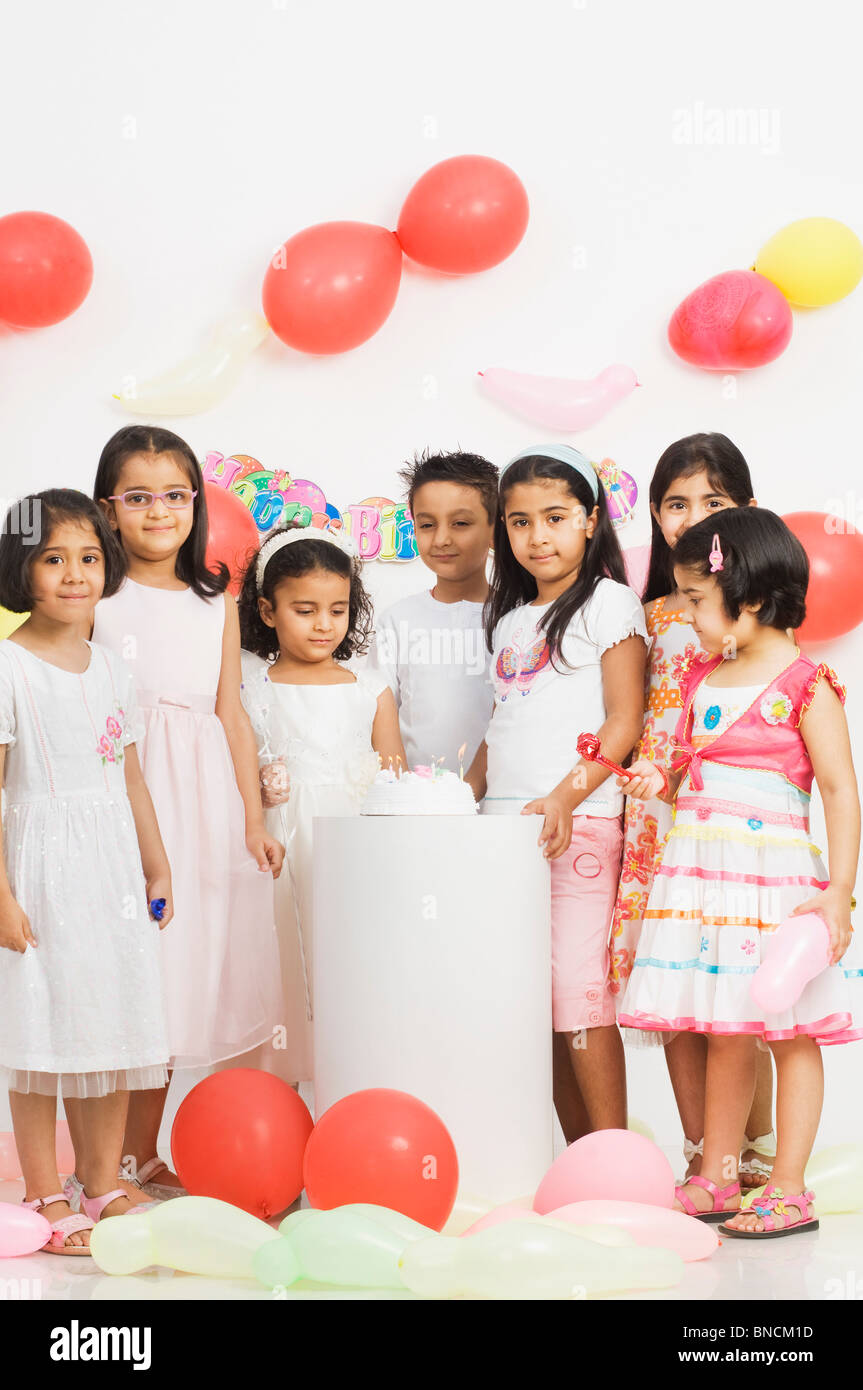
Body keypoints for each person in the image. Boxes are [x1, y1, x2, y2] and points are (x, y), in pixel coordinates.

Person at [619, 506, 860, 1236]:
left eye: (695, 599)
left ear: (748, 598)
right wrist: (652, 781)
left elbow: (838, 789)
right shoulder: (699, 675)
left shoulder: (804, 682)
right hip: (700, 872)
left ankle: (787, 1187)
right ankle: (716, 1176)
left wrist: (838, 895)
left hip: (772, 881)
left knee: (787, 1031)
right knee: (725, 1027)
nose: (685, 615)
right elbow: (691, 769)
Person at [91, 426, 283, 1201]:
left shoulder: (215, 599)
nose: (158, 511)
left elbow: (230, 714)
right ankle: (103, 1162)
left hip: (201, 800)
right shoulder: (97, 595)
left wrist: (249, 820)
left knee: (179, 979)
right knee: (131, 978)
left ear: (195, 504)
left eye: (174, 495)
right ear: (109, 510)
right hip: (127, 792)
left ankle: (140, 1154)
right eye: (138, 497)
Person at [0, 490, 171, 1253]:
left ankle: (100, 1179)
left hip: (107, 868)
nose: (75, 575)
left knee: (111, 1019)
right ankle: (42, 1186)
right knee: (41, 1028)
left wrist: (156, 863)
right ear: (21, 570)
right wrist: (1, 891)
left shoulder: (110, 668)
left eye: (90, 558)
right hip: (39, 861)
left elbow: (129, 776)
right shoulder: (7, 666)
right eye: (54, 559)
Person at [466, 445, 648, 1139]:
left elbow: (623, 720)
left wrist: (567, 797)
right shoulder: (509, 619)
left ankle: (612, 1155)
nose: (536, 536)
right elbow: (501, 723)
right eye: (518, 522)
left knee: (579, 1000)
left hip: (580, 826)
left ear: (590, 520)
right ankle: (581, 1158)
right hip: (503, 834)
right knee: (532, 1006)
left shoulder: (609, 602)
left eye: (553, 517)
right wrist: (464, 798)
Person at [610, 432, 775, 1187]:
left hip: (731, 813)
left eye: (712, 501)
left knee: (734, 984)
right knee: (675, 984)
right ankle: (703, 1156)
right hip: (654, 817)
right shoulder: (644, 613)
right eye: (674, 503)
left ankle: (758, 1148)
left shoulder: (755, 614)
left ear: (744, 508)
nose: (691, 516)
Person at [238, 524, 406, 1082]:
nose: (323, 625)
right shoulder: (249, 685)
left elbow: (394, 779)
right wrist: (260, 786)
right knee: (279, 962)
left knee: (350, 961)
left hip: (351, 843)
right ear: (267, 611)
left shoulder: (369, 686)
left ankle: (354, 1079)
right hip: (279, 841)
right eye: (305, 610)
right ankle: (277, 1085)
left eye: (337, 610)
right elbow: (235, 764)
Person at [369, 449, 497, 771]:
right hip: (417, 807)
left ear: (495, 528)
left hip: (505, 806)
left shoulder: (520, 619)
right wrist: (400, 795)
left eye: (461, 523)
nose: (441, 539)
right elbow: (380, 720)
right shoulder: (396, 623)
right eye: (427, 525)